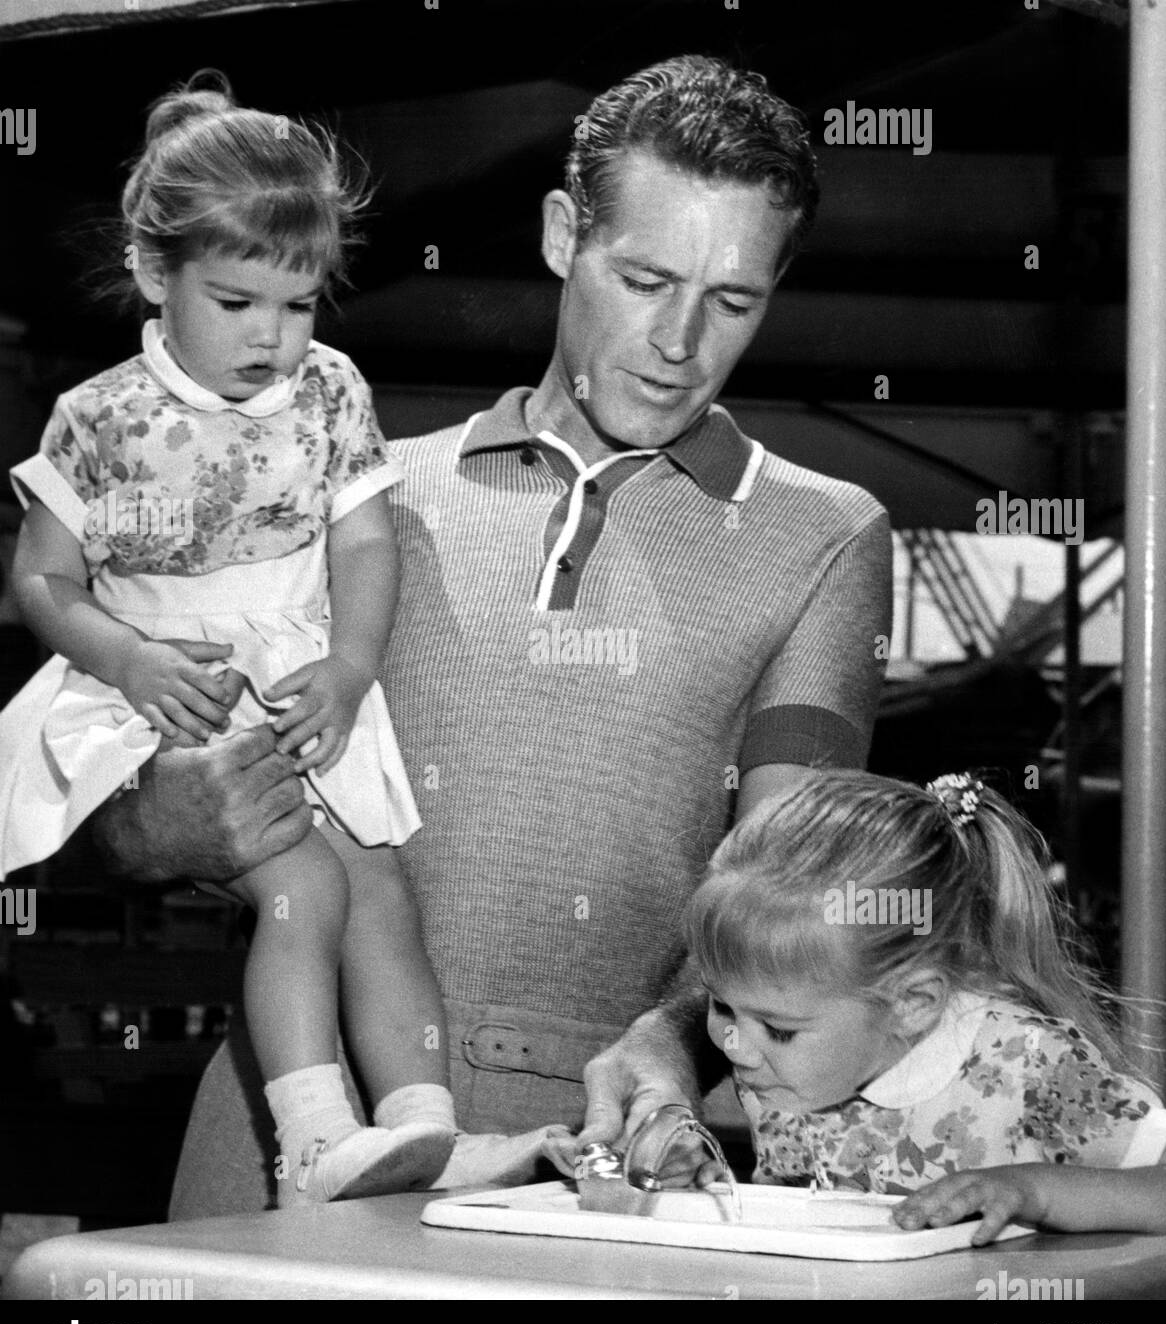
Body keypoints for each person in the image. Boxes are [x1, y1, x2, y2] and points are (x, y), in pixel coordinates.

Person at [91, 55, 894, 1217]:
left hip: (593, 1165)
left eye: (732, 301)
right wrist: (157, 816)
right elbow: (105, 801)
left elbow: (782, 903)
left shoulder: (819, 538)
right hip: (286, 1141)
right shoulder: (359, 496)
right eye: (642, 277)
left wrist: (676, 1046)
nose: (678, 340)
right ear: (563, 235)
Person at [0, 75, 461, 1204]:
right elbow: (43, 579)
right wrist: (126, 658)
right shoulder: (99, 416)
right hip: (165, 680)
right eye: (237, 300)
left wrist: (351, 668)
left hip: (295, 668)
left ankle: (425, 1121)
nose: (271, 336)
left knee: (380, 883)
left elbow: (362, 548)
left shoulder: (332, 393)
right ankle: (310, 1137)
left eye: (298, 305)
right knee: (301, 883)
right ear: (156, 276)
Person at [685, 768, 1166, 1240]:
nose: (735, 1048)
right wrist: (697, 1187)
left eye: (779, 1030)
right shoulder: (777, 1072)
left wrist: (1035, 1190)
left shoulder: (1027, 1063)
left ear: (912, 1003)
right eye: (723, 1007)